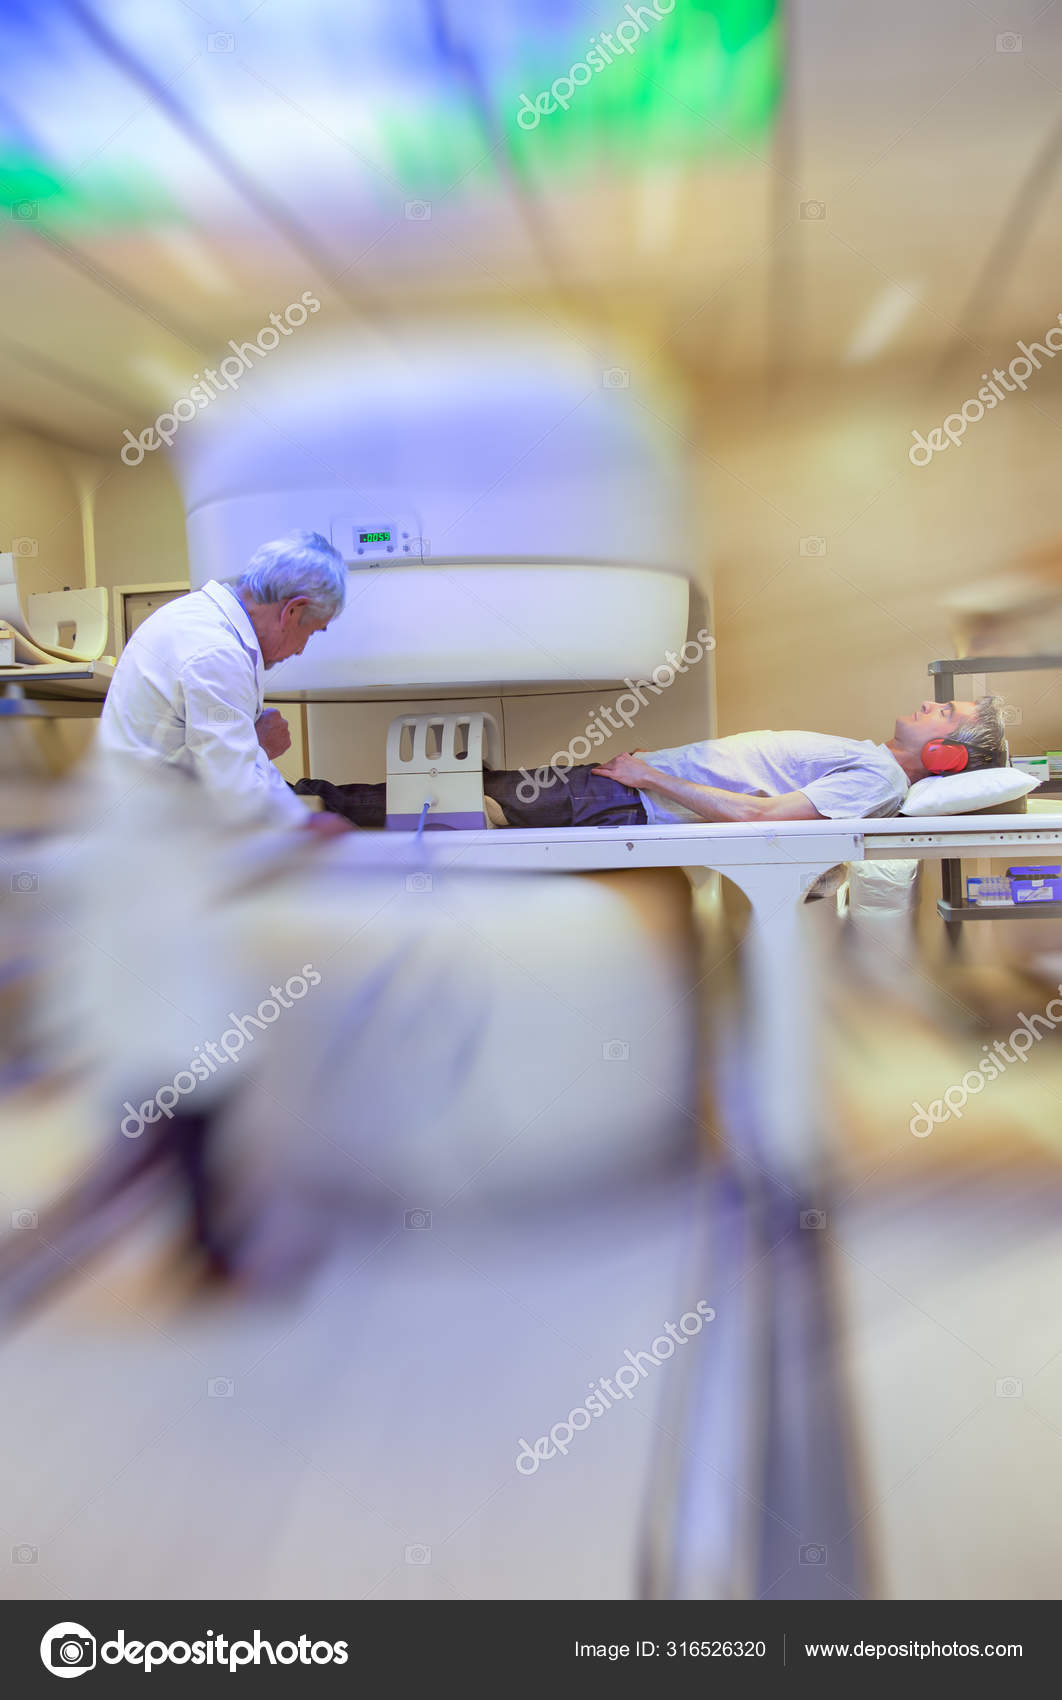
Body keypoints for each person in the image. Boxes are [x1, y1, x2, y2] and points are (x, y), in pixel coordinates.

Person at [294, 696, 1008, 828]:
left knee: (461, 796)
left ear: (943, 756)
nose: (929, 703)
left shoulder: (880, 779)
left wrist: (649, 778)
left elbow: (760, 819)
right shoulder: (872, 759)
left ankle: (311, 800)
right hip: (625, 791)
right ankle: (313, 797)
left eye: (946, 716)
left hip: (626, 800)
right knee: (471, 788)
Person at [98, 531, 351, 835]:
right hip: (156, 838)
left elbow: (230, 764)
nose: (300, 649)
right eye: (311, 632)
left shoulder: (198, 621)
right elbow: (237, 796)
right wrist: (262, 748)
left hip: (154, 821)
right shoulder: (217, 653)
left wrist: (297, 816)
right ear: (292, 611)